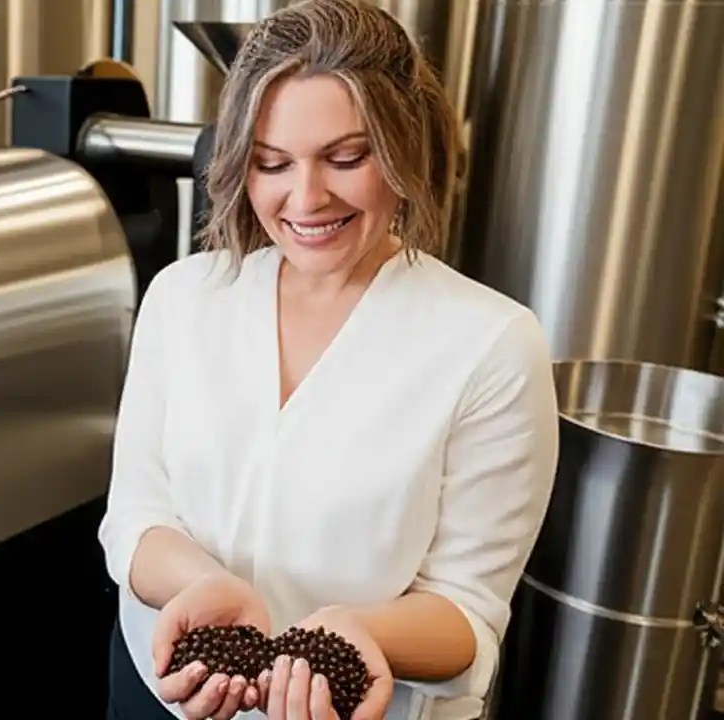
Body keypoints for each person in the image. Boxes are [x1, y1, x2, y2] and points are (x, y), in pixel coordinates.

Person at [97, 1, 561, 719]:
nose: (306, 198)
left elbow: (467, 611)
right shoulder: (184, 298)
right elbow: (135, 513)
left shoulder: (491, 343)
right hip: (162, 687)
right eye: (271, 163)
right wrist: (203, 585)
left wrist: (356, 632)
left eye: (347, 158)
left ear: (403, 146)